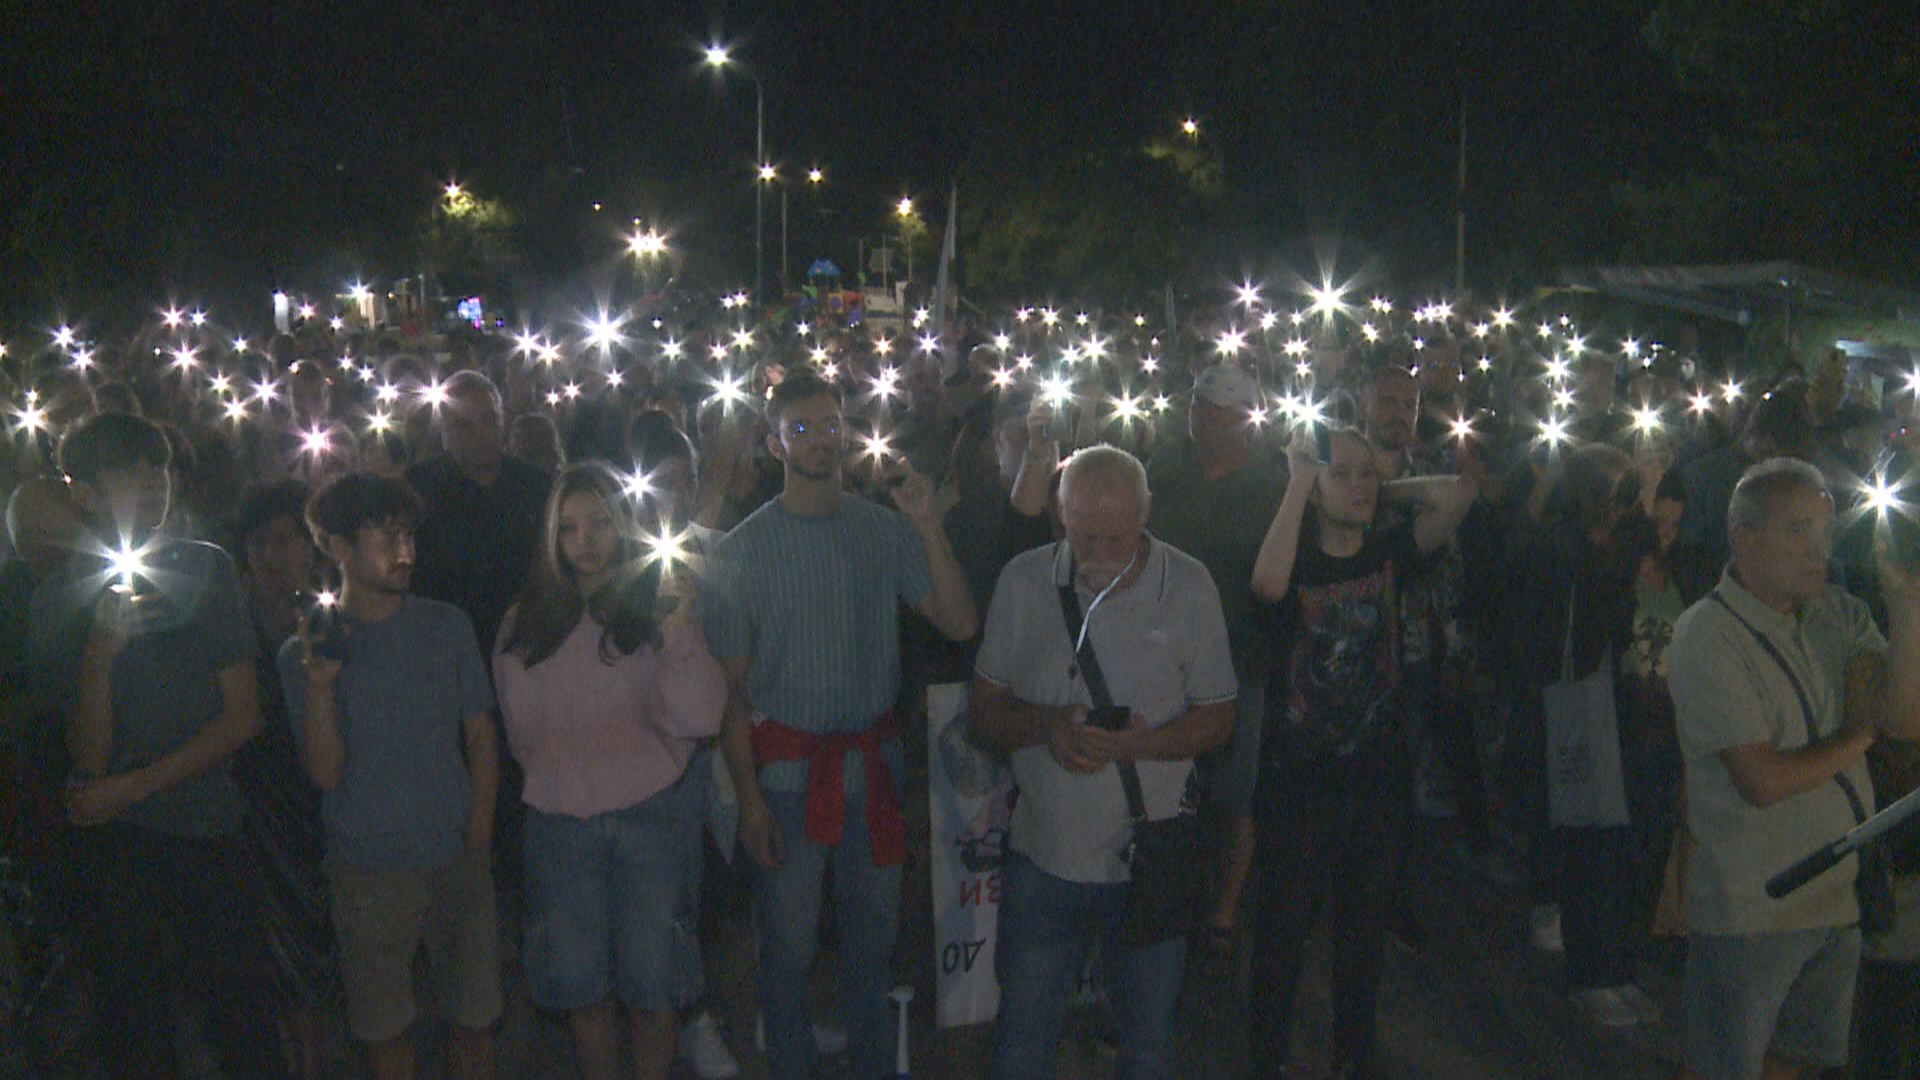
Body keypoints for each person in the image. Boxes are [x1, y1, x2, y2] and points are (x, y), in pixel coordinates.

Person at [703, 370, 978, 1080]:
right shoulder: (741, 552)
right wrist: (749, 799)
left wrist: (925, 521)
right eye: (801, 429)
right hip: (791, 774)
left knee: (873, 940)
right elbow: (730, 694)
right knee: (787, 947)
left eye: (831, 426)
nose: (821, 441)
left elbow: (958, 619)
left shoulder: (880, 529)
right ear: (774, 443)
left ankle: (873, 1064)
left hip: (873, 765)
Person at [29, 413, 285, 1078]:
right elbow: (85, 761)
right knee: (136, 1026)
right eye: (126, 473)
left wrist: (132, 786)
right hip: (119, 848)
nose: (149, 486)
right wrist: (99, 652)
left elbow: (243, 716)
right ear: (82, 490)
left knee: (244, 1017)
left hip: (206, 828)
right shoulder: (57, 597)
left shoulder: (206, 568)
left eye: (159, 469)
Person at [970, 444, 1237, 1080]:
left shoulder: (1189, 585)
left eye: (1118, 537)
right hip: (1044, 857)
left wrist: (1139, 744)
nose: (1101, 556)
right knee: (1023, 1037)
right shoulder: (1024, 581)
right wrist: (1046, 727)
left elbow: (1221, 718)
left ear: (1146, 516)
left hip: (1148, 859)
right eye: (1084, 536)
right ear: (1059, 514)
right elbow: (984, 711)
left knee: (1147, 1042)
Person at [1668, 458, 1920, 1080]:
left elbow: (1905, 720)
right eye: (1798, 530)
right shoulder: (1706, 633)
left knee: (1799, 1063)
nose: (1818, 549)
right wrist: (1861, 734)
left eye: (1826, 531)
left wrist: (1906, 607)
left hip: (1836, 895)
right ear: (1744, 537)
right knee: (1733, 1065)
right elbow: (1764, 780)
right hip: (1754, 902)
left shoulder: (1837, 612)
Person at [1246, 424, 1476, 1078]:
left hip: (1377, 780)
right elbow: (1266, 586)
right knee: (1282, 939)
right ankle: (1267, 1063)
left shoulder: (1388, 550)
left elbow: (1456, 494)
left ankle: (1352, 1062)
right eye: (1342, 474)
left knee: (1362, 940)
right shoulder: (1296, 555)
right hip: (1298, 782)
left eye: (1365, 473)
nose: (1359, 485)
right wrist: (1303, 484)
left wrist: (1370, 484)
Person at [494, 462, 727, 1080]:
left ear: (624, 524)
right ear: (551, 538)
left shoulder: (650, 610)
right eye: (569, 528)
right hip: (561, 827)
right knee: (584, 992)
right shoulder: (525, 623)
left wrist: (679, 631)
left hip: (650, 819)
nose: (586, 541)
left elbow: (703, 715)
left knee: (654, 988)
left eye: (600, 523)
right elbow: (522, 737)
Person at [282, 472, 502, 1080]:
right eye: (385, 538)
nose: (405, 552)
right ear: (338, 546)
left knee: (475, 1015)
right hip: (367, 866)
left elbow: (480, 733)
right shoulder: (306, 650)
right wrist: (321, 687)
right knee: (385, 1028)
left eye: (408, 535)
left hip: (455, 850)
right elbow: (324, 774)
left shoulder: (446, 625)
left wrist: (480, 826)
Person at [1144, 362, 1282, 950]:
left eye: (1223, 412)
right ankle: (1163, 896)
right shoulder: (1166, 468)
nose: (1208, 421)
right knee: (1164, 785)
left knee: (1236, 793)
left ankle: (1222, 911)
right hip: (1163, 654)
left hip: (1242, 657)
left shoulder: (1272, 485)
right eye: (1202, 408)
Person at [228, 478, 339, 1079]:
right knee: (284, 934)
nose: (273, 556)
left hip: (328, 789)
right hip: (265, 799)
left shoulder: (329, 610)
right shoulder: (233, 617)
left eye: (286, 540)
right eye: (259, 544)